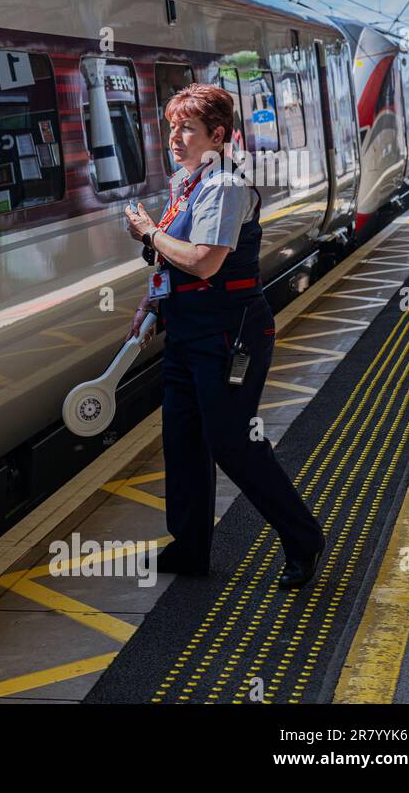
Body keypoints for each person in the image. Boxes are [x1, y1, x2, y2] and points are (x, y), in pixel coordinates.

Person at [123, 83, 325, 589]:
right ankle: (190, 547)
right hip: (189, 330)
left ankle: (303, 539)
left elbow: (205, 262)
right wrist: (153, 302)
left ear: (218, 135)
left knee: (233, 443)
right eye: (172, 127)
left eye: (186, 128)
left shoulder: (225, 188)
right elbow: (177, 264)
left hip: (229, 333)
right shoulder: (187, 182)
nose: (174, 137)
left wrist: (149, 233)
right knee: (183, 439)